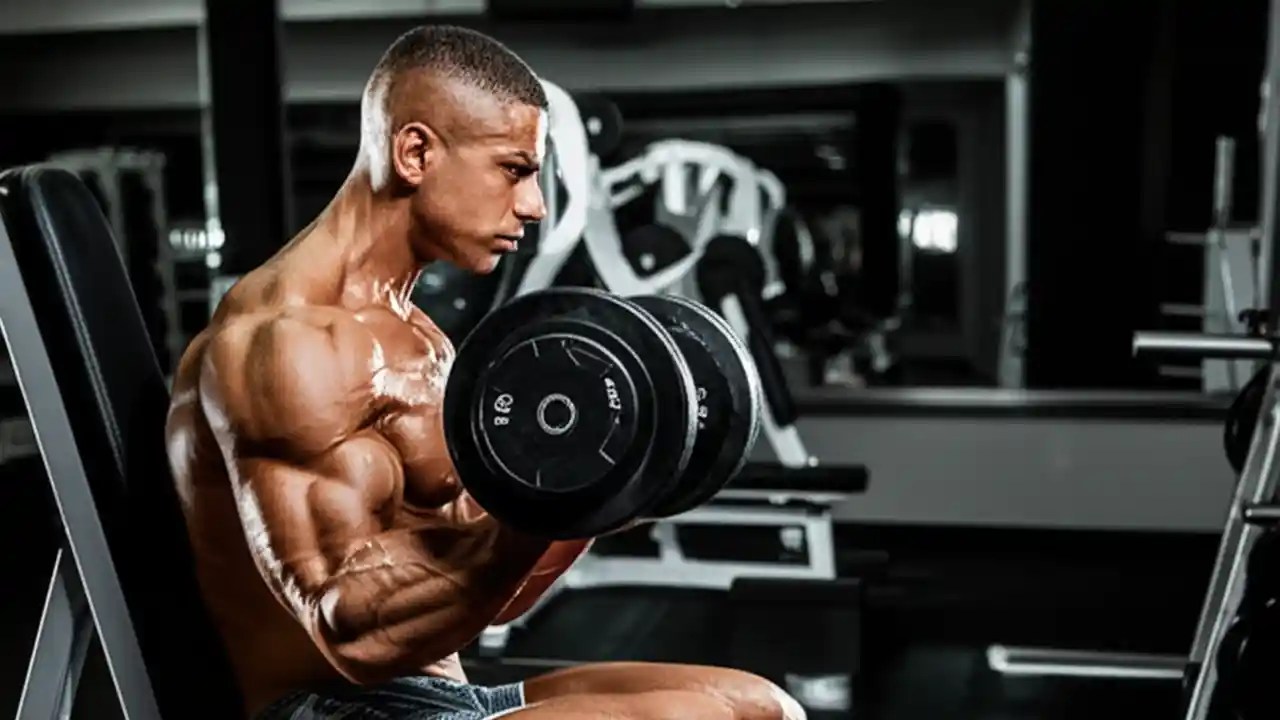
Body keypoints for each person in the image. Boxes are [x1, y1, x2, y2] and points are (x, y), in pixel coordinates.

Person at [165, 24, 806, 720]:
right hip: (326, 709)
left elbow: (485, 586)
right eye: (514, 169)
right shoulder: (284, 345)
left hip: (434, 692)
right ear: (415, 152)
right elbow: (349, 629)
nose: (534, 204)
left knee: (762, 706)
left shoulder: (422, 340)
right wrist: (555, 497)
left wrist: (612, 484)